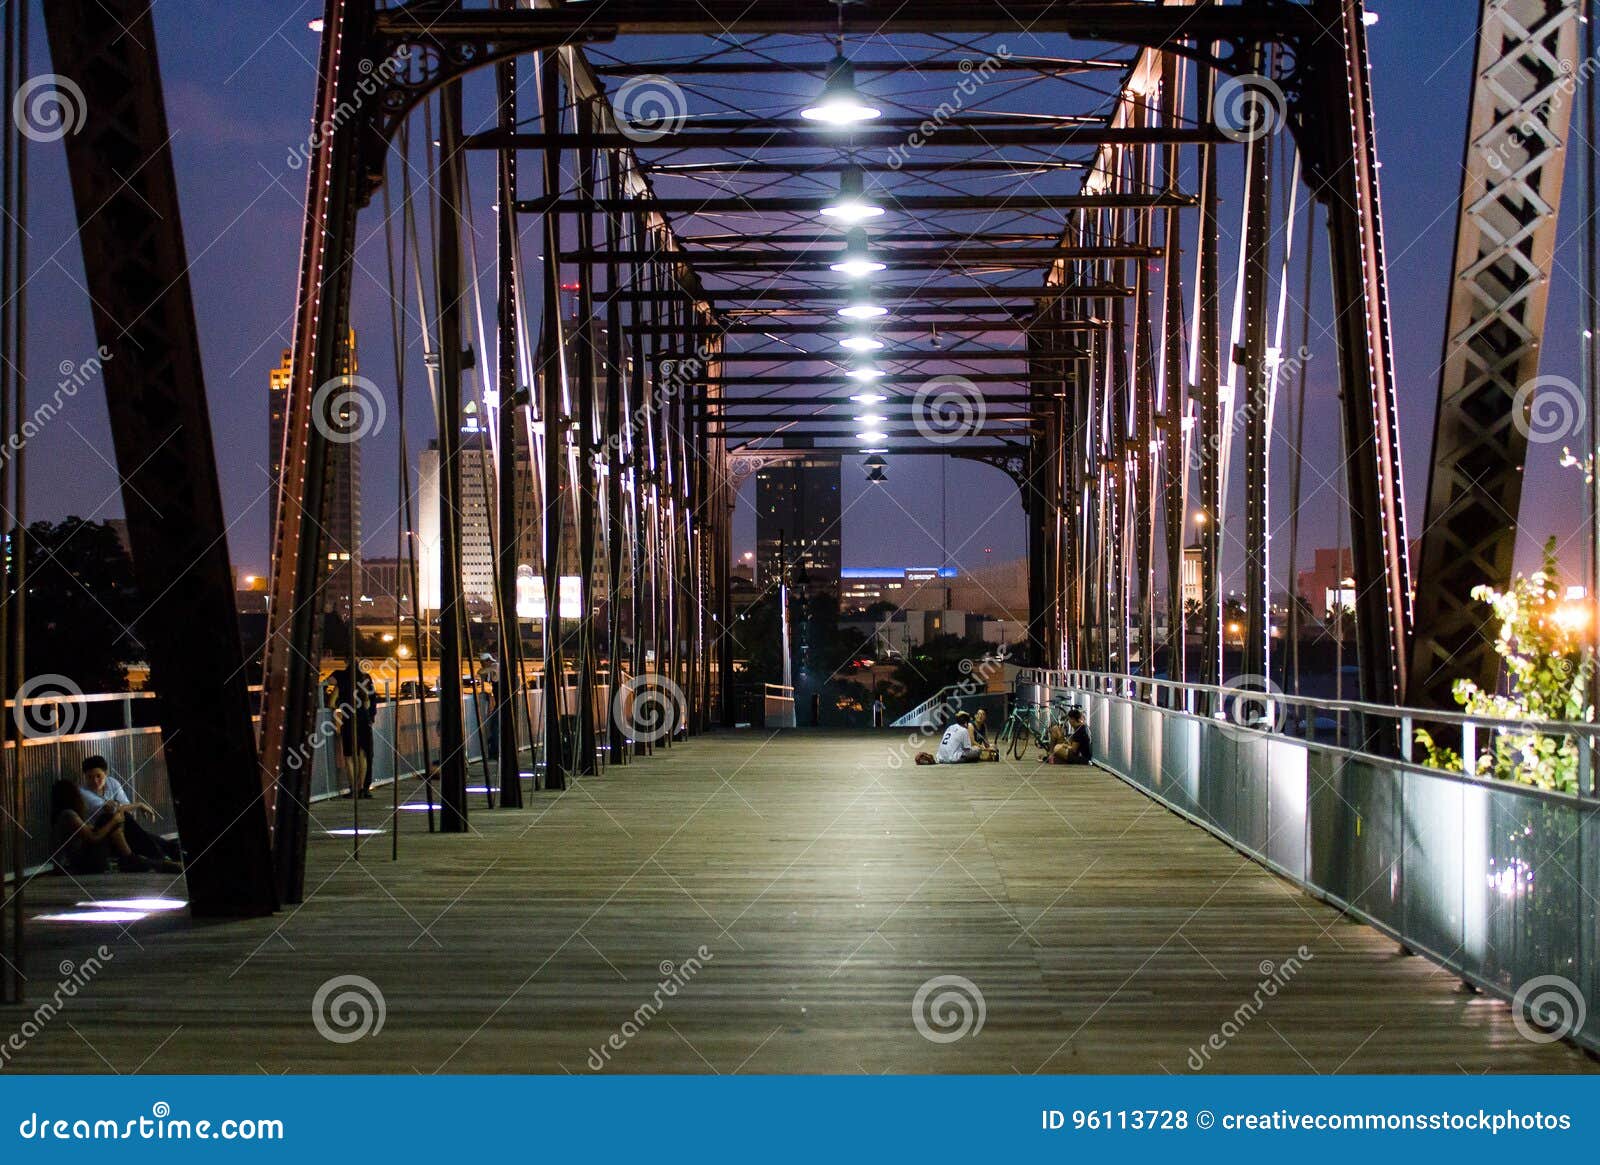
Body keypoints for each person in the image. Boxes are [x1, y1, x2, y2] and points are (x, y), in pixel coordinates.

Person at [51, 779, 177, 875]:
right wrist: (114, 821)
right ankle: (134, 859)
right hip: (83, 865)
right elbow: (93, 837)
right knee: (108, 818)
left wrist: (115, 823)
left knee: (119, 822)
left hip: (84, 861)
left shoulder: (66, 815)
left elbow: (89, 831)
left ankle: (135, 859)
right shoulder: (68, 815)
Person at [80, 755, 181, 865]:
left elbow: (126, 807)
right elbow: (110, 810)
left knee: (148, 837)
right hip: (104, 837)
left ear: (106, 773)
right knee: (117, 820)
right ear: (85, 777)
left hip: (123, 829)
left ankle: (173, 853)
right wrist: (138, 805)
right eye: (90, 777)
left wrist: (120, 807)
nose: (95, 781)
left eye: (98, 776)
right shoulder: (83, 793)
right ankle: (160, 858)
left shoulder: (112, 782)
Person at [330, 663, 377, 797]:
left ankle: (353, 789)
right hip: (363, 720)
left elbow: (331, 703)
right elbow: (367, 703)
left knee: (349, 756)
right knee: (363, 755)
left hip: (348, 720)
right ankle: (361, 788)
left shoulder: (341, 684)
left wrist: (338, 712)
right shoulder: (364, 684)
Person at [477, 651, 501, 761]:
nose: (482, 665)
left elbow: (480, 671)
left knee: (494, 727)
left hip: (501, 703)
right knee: (495, 725)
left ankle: (494, 752)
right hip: (499, 703)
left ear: (487, 661)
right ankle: (494, 750)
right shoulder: (494, 667)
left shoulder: (495, 666)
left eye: (482, 662)